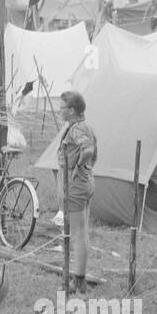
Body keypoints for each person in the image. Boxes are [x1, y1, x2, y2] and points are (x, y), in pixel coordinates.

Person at [57, 91, 98, 295]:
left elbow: (88, 150)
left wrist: (77, 166)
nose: (59, 110)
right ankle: (79, 276)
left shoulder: (77, 129)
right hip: (87, 182)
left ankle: (78, 281)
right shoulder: (84, 126)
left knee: (78, 234)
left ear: (72, 110)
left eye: (62, 107)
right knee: (83, 233)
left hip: (77, 185)